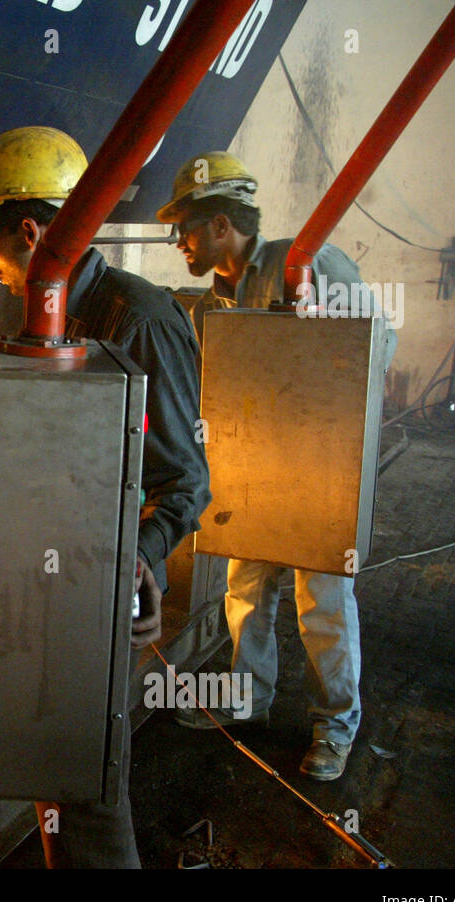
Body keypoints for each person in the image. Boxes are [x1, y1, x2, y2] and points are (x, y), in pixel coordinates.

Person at [0, 126, 212, 867]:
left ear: (29, 231)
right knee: (53, 779)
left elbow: (185, 482)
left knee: (87, 791)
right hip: (48, 576)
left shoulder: (141, 320)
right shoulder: (42, 314)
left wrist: (140, 562)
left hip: (97, 586)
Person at [158, 150, 376, 782]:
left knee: (322, 601)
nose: (180, 243)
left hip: (318, 467)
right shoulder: (214, 302)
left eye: (187, 228)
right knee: (246, 588)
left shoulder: (310, 265)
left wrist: (342, 467)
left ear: (222, 225)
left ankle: (335, 726)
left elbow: (366, 355)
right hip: (252, 467)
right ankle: (247, 700)